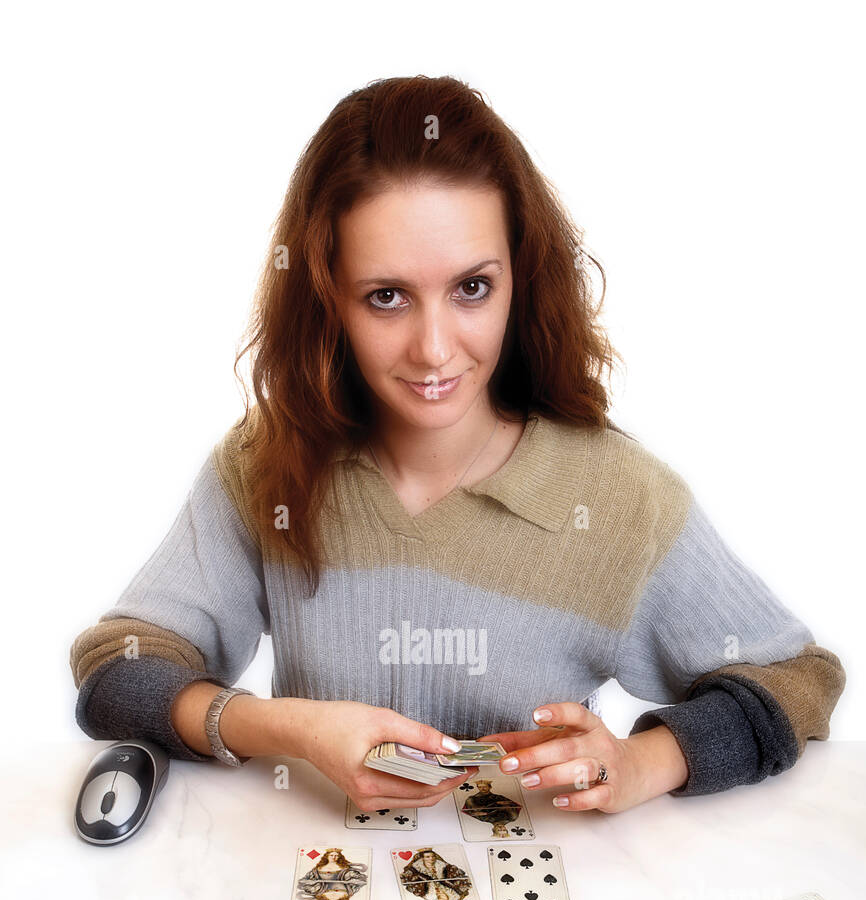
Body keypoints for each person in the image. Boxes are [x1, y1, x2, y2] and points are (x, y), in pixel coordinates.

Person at [69, 75, 845, 816]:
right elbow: (117, 670)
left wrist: (647, 761)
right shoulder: (263, 464)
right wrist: (293, 728)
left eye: (472, 288)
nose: (435, 349)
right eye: (386, 297)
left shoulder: (618, 496)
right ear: (328, 301)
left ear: (521, 280)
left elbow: (800, 677)